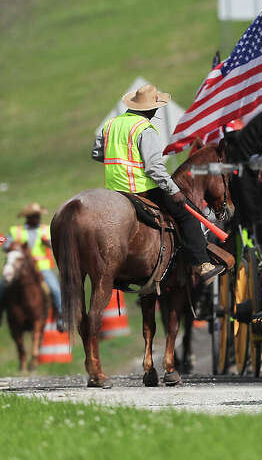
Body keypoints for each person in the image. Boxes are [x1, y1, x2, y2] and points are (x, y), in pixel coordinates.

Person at [91, 83, 220, 284]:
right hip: (142, 190)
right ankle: (202, 265)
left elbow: (97, 154)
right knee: (187, 215)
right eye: (156, 107)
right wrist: (174, 190)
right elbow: (153, 168)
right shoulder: (144, 129)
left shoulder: (111, 124)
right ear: (150, 109)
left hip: (114, 192)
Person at [9, 202, 63, 328]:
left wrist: (48, 243)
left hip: (42, 268)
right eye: (36, 216)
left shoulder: (46, 229)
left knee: (55, 289)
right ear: (29, 218)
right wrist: (10, 244)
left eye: (39, 216)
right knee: (3, 287)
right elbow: (6, 244)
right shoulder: (17, 231)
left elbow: (56, 246)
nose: (39, 218)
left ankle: (61, 317)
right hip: (21, 269)